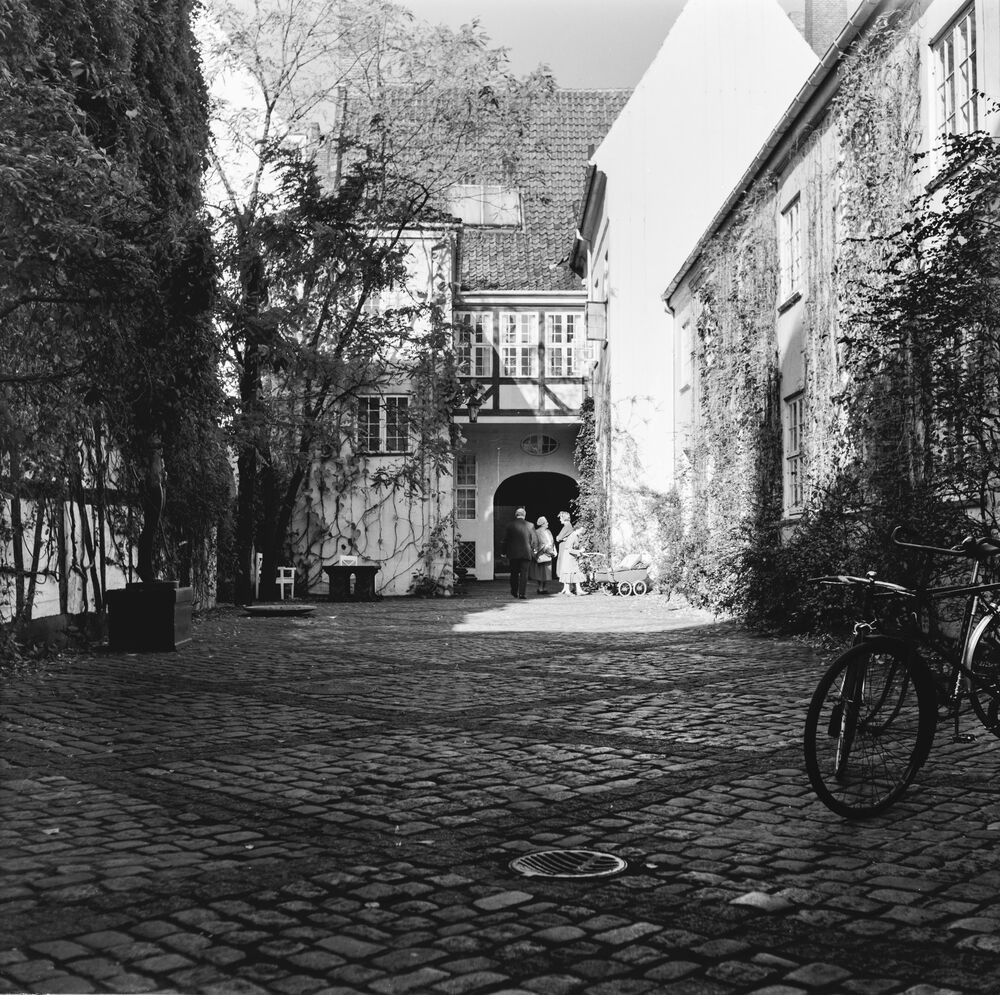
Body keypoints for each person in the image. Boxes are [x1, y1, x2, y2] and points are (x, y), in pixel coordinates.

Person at [501, 507, 537, 599]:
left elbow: (505, 540)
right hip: (526, 553)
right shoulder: (530, 525)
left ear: (516, 515)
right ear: (524, 515)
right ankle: (522, 593)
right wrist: (533, 550)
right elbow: (534, 541)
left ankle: (514, 591)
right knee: (524, 574)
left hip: (513, 554)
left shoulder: (510, 525)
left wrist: (503, 552)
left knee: (514, 573)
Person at [529, 516, 556, 594]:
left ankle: (544, 588)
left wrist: (552, 550)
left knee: (547, 572)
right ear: (543, 524)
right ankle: (540, 588)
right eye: (546, 522)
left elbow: (552, 541)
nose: (548, 523)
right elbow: (534, 543)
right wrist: (543, 548)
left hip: (548, 554)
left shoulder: (548, 531)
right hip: (540, 554)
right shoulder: (537, 532)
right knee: (540, 572)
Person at [560, 525, 588, 596]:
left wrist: (581, 553)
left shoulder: (576, 536)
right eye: (581, 530)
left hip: (572, 558)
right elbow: (569, 549)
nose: (582, 532)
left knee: (576, 573)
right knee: (568, 573)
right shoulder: (572, 536)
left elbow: (575, 549)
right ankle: (567, 591)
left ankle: (578, 590)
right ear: (577, 529)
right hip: (569, 559)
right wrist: (579, 551)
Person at [555, 511, 574, 596]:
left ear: (563, 518)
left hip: (564, 549)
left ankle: (568, 588)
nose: (559, 520)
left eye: (560, 518)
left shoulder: (566, 526)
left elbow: (558, 538)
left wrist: (559, 538)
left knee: (564, 567)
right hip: (564, 548)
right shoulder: (568, 526)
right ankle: (566, 588)